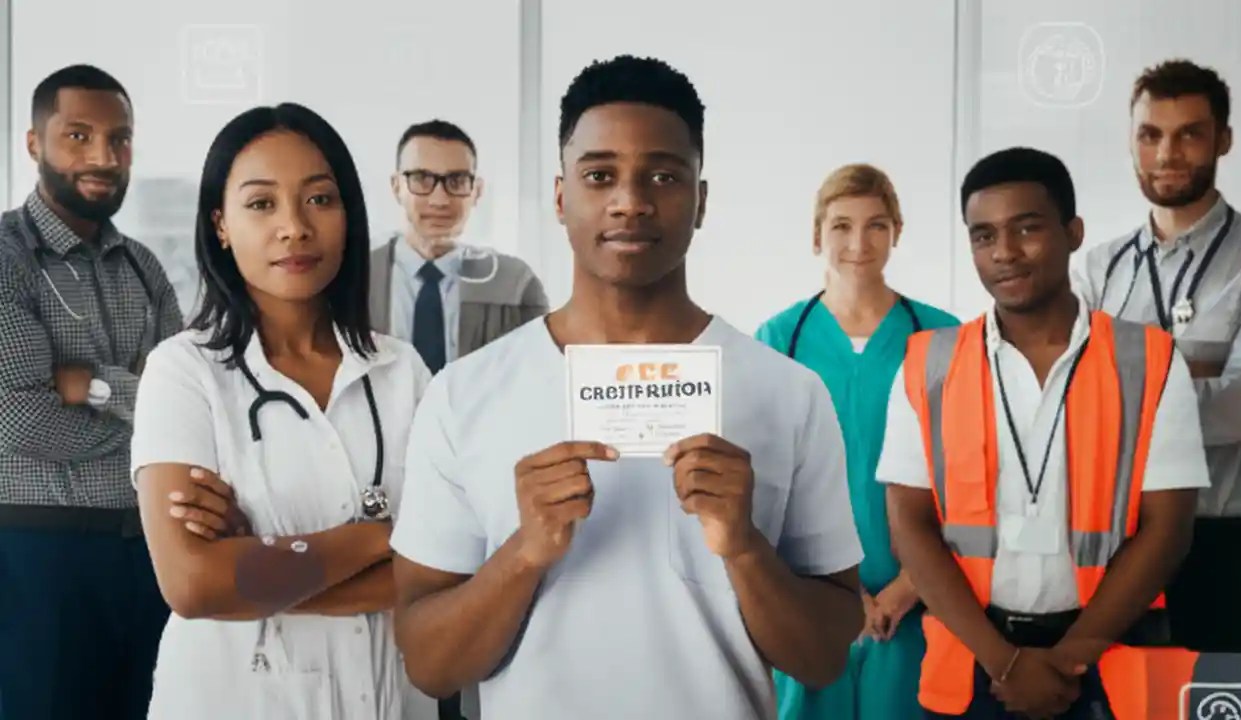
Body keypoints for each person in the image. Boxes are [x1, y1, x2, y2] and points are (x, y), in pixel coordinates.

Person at [389, 54, 864, 720]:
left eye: (663, 176)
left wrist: (745, 548)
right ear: (561, 198)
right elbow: (428, 664)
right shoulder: (464, 395)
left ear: (701, 200)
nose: (630, 202)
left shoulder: (788, 393)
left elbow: (823, 659)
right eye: (600, 175)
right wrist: (523, 554)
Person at [882, 147, 1210, 719]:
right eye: (984, 236)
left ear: (1073, 232)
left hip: (1106, 665)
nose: (1004, 252)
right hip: (973, 666)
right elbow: (909, 525)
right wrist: (1005, 663)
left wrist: (1066, 661)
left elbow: (1169, 528)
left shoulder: (1148, 361)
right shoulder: (928, 365)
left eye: (1027, 228)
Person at [130, 103, 430, 719]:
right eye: (262, 203)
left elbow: (443, 571)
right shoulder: (183, 371)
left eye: (319, 199)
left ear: (349, 215)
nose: (294, 227)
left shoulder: (403, 372)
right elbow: (193, 584)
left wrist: (260, 569)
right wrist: (382, 537)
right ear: (221, 224)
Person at [1072, 59, 1241, 708]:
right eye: (1150, 135)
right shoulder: (1098, 269)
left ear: (1224, 140)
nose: (1167, 154)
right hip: (1113, 550)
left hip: (1229, 556)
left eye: (1190, 133)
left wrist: (1121, 387)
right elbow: (1066, 401)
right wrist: (1196, 374)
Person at [0, 64, 183, 719]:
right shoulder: (7, 258)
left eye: (119, 139)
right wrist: (143, 418)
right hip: (37, 552)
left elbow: (183, 410)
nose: (104, 157)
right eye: (78, 136)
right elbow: (20, 421)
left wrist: (93, 385)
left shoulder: (144, 267)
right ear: (34, 144)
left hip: (150, 552)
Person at [756, 163, 958, 720]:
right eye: (841, 226)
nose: (858, 243)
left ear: (897, 232)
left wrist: (910, 586)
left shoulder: (943, 337)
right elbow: (765, 484)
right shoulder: (778, 340)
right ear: (816, 235)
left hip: (919, 599)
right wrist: (833, 593)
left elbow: (971, 476)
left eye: (876, 225)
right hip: (811, 599)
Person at [372, 120, 548, 374]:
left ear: (477, 191)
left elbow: (540, 376)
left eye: (457, 181)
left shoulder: (516, 285)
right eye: (421, 179)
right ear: (396, 186)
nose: (440, 200)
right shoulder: (352, 279)